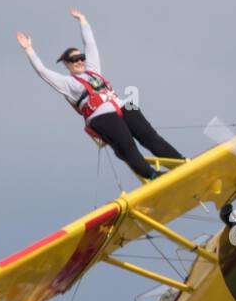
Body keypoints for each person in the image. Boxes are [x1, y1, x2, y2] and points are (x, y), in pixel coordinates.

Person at [17, 10, 184, 181]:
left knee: (150, 136)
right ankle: (152, 175)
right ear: (67, 64)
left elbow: (91, 45)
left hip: (122, 105)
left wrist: (83, 21)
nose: (80, 61)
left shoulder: (93, 70)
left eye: (81, 57)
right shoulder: (68, 84)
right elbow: (43, 72)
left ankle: (181, 163)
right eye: (74, 59)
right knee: (127, 146)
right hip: (101, 116)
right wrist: (29, 50)